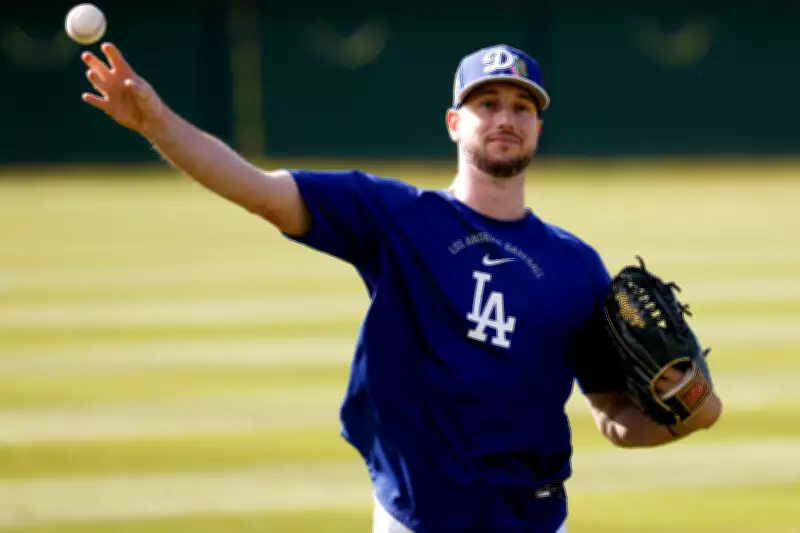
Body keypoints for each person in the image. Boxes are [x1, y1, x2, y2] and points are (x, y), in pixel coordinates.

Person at [79, 42, 722, 533]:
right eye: (488, 103)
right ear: (453, 123)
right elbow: (262, 191)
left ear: (538, 128)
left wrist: (691, 412)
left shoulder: (576, 265)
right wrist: (158, 123)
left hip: (533, 520)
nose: (506, 117)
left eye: (522, 107)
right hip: (416, 520)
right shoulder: (395, 217)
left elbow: (613, 417)